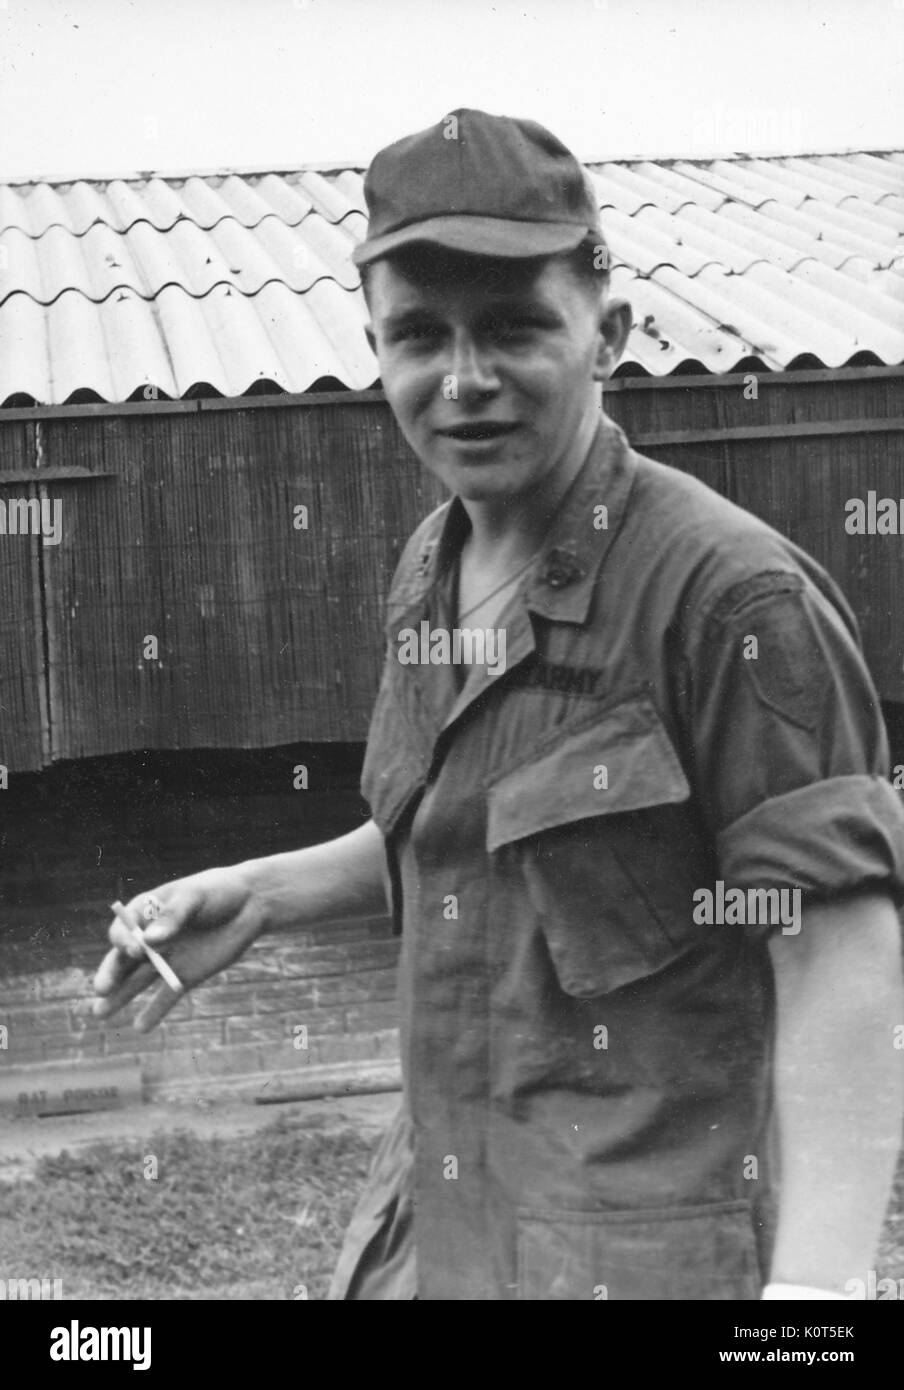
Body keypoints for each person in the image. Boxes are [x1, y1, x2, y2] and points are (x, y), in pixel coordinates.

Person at [93, 108, 904, 1301]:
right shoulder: (430, 563)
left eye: (515, 327)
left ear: (605, 335)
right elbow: (465, 829)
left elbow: (839, 946)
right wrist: (262, 893)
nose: (463, 380)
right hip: (438, 1235)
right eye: (421, 335)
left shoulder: (728, 597)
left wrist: (814, 1307)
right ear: (376, 348)